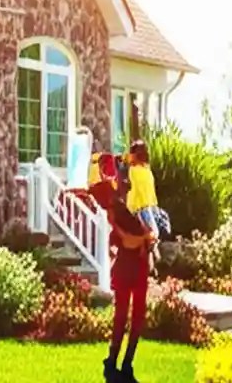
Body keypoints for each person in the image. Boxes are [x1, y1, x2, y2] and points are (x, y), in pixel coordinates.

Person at [89, 153, 155, 383]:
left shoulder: (127, 212)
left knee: (135, 318)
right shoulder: (116, 212)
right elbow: (129, 240)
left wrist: (146, 237)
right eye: (123, 185)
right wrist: (145, 238)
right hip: (129, 269)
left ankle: (125, 363)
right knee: (123, 317)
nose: (126, 189)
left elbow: (145, 236)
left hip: (137, 268)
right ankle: (114, 361)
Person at [126, 140, 166, 265]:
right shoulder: (139, 170)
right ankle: (153, 258)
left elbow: (147, 190)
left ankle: (151, 261)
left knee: (152, 234)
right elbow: (141, 190)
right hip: (142, 206)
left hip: (145, 206)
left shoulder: (141, 170)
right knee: (153, 233)